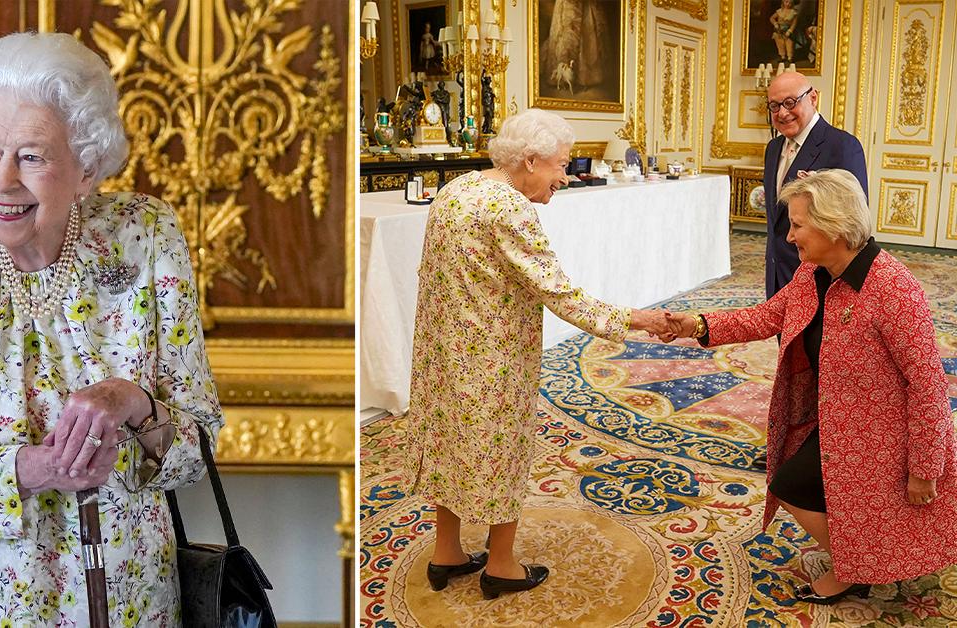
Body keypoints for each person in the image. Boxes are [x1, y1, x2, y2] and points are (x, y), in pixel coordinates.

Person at [0, 32, 223, 626]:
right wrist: (30, 470)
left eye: (31, 156)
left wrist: (134, 404)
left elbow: (198, 448)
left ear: (86, 169)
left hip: (130, 604)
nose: (1, 180)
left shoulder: (146, 238)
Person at [405, 109, 674, 599]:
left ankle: (448, 553)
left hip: (441, 352)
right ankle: (501, 566)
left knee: (447, 445)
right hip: (492, 354)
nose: (565, 178)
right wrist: (641, 320)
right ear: (529, 161)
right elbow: (560, 294)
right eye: (560, 166)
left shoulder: (455, 190)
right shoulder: (508, 207)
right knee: (503, 449)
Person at [665, 170, 957, 604]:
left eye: (798, 225)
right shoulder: (812, 275)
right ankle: (859, 562)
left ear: (834, 225)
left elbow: (927, 385)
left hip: (883, 435)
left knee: (797, 486)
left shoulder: (893, 289)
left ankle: (853, 568)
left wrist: (923, 467)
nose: (789, 237)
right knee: (791, 485)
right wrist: (698, 324)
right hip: (834, 423)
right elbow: (766, 317)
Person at [757, 72, 867, 471]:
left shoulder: (841, 146)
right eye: (774, 106)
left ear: (813, 97)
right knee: (792, 363)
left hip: (823, 279)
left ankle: (826, 452)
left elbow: (853, 221)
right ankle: (791, 444)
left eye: (791, 102)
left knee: (825, 366)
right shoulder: (773, 150)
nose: (783, 112)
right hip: (781, 272)